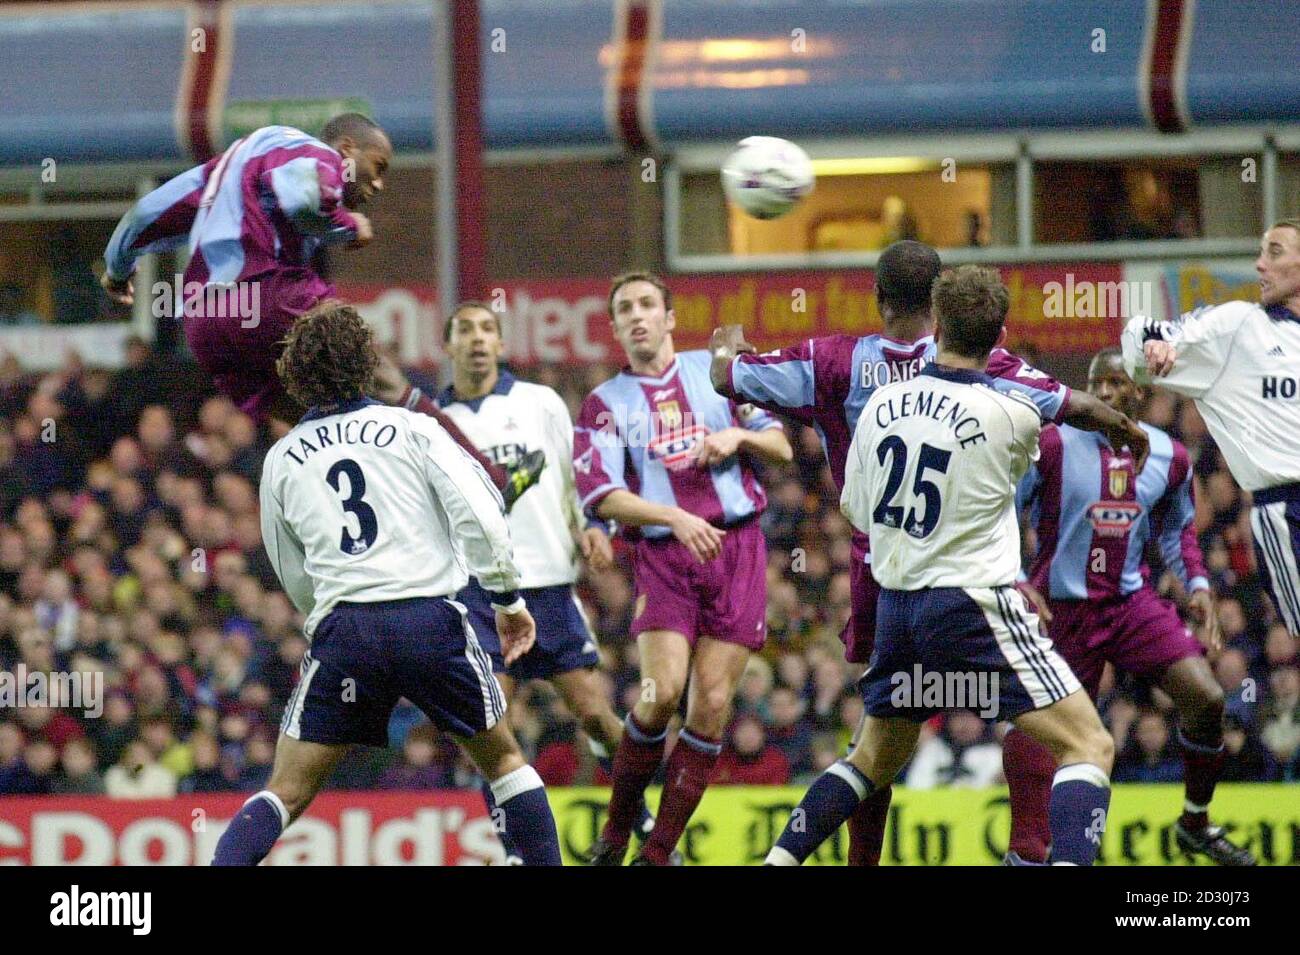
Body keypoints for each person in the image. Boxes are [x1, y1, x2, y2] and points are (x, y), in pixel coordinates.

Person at [709, 239, 1147, 865]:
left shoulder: (879, 399)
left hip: (894, 598)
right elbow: (1068, 411)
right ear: (996, 333)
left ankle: (778, 861)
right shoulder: (1013, 408)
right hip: (974, 600)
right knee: (1088, 745)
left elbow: (854, 507)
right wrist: (1125, 428)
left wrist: (728, 350)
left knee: (873, 754)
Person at [211, 302, 561, 866]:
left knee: (287, 789)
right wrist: (506, 598)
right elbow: (483, 512)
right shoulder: (411, 427)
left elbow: (291, 569)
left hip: (346, 630)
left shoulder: (280, 460)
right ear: (366, 362)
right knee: (502, 760)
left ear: (296, 374)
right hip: (429, 623)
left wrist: (329, 616)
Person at [100, 114, 541, 510]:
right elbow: (304, 199)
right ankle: (493, 480)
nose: (379, 184)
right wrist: (346, 224)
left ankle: (383, 518)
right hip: (270, 292)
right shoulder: (312, 152)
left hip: (206, 326)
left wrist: (118, 268)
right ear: (348, 149)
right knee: (385, 383)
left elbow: (145, 213)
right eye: (378, 167)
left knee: (330, 427)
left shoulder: (223, 172)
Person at [575, 271, 792, 865]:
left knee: (713, 703)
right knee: (660, 690)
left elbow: (781, 445)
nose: (638, 315)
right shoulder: (605, 404)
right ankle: (615, 836)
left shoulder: (718, 373)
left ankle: (656, 854)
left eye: (648, 304)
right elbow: (601, 495)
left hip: (736, 549)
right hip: (666, 556)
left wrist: (734, 439)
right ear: (616, 327)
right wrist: (672, 516)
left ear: (670, 318)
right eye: (625, 309)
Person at [1009, 348, 1253, 865]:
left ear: (1139, 393)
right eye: (1097, 384)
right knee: (1039, 731)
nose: (1103, 394)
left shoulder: (1171, 456)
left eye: (1116, 384)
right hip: (1061, 609)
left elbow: (1176, 532)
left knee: (1207, 698)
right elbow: (1003, 511)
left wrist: (1200, 586)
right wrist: (1012, 575)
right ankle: (1027, 851)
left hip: (1129, 603)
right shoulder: (1051, 443)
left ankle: (1195, 822)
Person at [436, 299, 657, 862]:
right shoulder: (434, 422)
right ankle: (517, 850)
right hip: (479, 593)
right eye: (466, 331)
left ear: (502, 345)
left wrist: (591, 524)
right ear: (449, 346)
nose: (478, 339)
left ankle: (648, 826)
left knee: (595, 715)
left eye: (488, 329)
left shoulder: (540, 403)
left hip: (549, 584)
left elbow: (575, 468)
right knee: (492, 731)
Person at [1123, 218, 1300, 637]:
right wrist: (1153, 345)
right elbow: (1137, 340)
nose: (1260, 265)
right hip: (1287, 512)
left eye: (1274, 252)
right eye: (1259, 253)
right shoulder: (1239, 327)